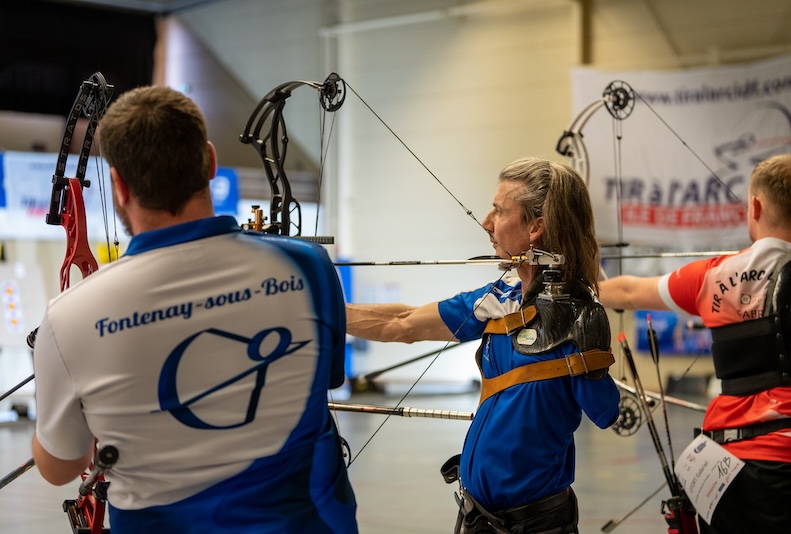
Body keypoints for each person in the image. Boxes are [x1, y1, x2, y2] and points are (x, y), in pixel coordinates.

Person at [31, 85, 358, 534]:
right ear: (209, 161)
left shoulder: (68, 317)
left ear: (119, 185)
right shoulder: (309, 267)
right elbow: (322, 382)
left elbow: (58, 467)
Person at [347, 157, 620, 533]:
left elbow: (605, 412)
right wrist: (318, 307)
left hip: (536, 523)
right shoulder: (498, 297)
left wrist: (586, 341)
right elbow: (403, 322)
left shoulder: (578, 315)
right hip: (477, 516)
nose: (487, 222)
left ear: (536, 227)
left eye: (500, 210)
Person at [598, 153, 791, 533]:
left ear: (755, 206)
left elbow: (621, 291)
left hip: (729, 472)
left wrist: (579, 259)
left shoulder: (717, 275)